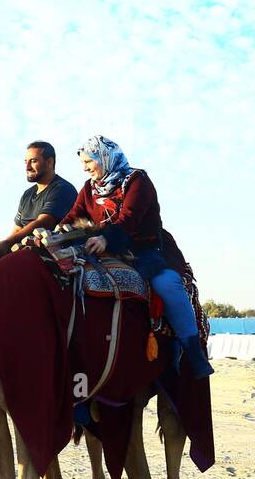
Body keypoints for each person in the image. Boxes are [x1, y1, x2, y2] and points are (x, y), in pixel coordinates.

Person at [60, 135, 213, 380]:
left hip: (144, 249)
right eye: (83, 163)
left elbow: (129, 217)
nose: (85, 167)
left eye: (89, 161)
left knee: (167, 285)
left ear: (105, 158)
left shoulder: (137, 181)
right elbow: (73, 215)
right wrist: (56, 233)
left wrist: (106, 238)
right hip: (104, 249)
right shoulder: (90, 188)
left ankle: (191, 350)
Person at [0, 141, 78, 260]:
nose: (27, 167)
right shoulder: (27, 194)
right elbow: (17, 228)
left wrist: (8, 243)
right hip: (21, 250)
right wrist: (1, 246)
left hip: (46, 254)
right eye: (26, 162)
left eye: (33, 161)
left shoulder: (62, 189)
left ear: (49, 162)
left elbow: (44, 222)